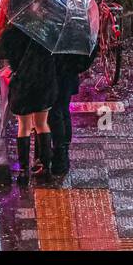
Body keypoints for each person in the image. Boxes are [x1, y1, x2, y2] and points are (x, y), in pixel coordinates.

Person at [0, 0, 57, 185]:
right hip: (44, 83)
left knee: (24, 126)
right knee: (42, 124)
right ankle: (44, 165)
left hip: (22, 85)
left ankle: (23, 171)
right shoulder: (42, 26)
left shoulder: (10, 33)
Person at [48, 46, 96, 177]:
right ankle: (63, 152)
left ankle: (60, 156)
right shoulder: (76, 28)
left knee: (55, 113)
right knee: (63, 110)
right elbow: (88, 55)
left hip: (56, 75)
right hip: (68, 77)